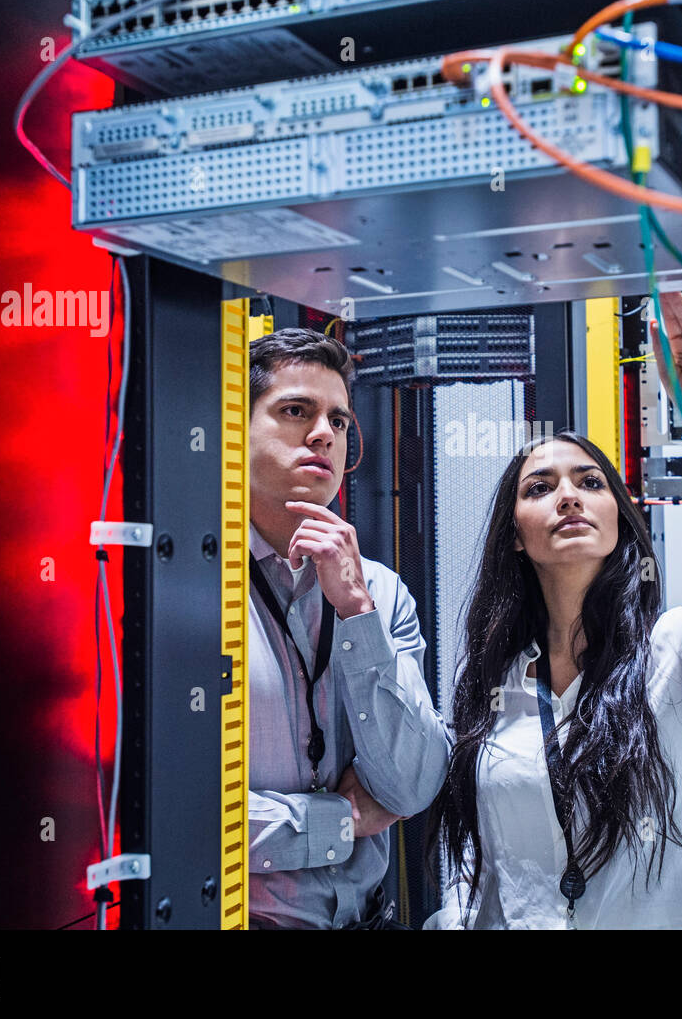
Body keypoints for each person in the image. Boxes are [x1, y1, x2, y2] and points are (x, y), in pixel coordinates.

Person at [426, 291, 682, 929]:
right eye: (540, 488)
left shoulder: (678, 653)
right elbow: (493, 878)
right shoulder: (497, 686)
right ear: (515, 534)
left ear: (619, 521)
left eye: (590, 482)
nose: (568, 496)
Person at [246, 328, 449, 929]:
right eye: (295, 411)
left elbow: (413, 783)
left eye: (337, 419)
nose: (323, 434)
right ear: (233, 430)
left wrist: (357, 611)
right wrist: (344, 820)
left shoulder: (380, 593)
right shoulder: (189, 590)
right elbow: (180, 814)